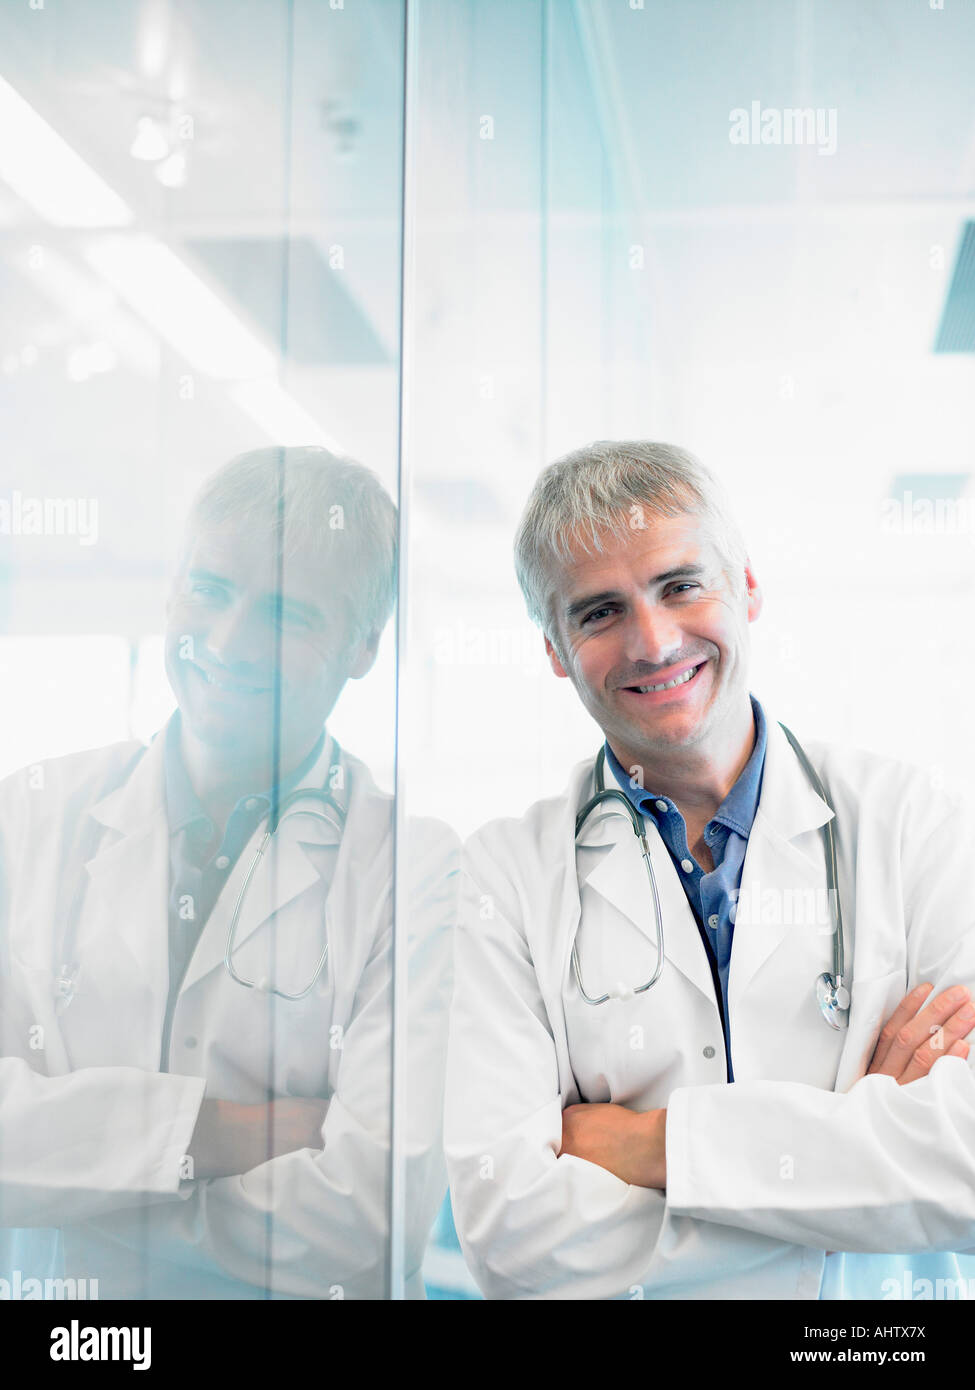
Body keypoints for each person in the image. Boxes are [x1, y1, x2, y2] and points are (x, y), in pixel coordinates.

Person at [445, 439, 975, 1300]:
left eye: (680, 585)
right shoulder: (502, 879)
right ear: (552, 649)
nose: (652, 642)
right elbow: (512, 1234)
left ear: (748, 587)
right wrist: (853, 1164)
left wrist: (648, 1147)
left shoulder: (911, 822)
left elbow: (966, 1166)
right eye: (597, 612)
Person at [0, 445, 455, 1299]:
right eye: (210, 590)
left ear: (363, 648)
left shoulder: (415, 869)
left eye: (287, 613)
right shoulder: (28, 814)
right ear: (171, 588)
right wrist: (224, 1133)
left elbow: (371, 1214)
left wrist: (74, 1185)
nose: (228, 641)